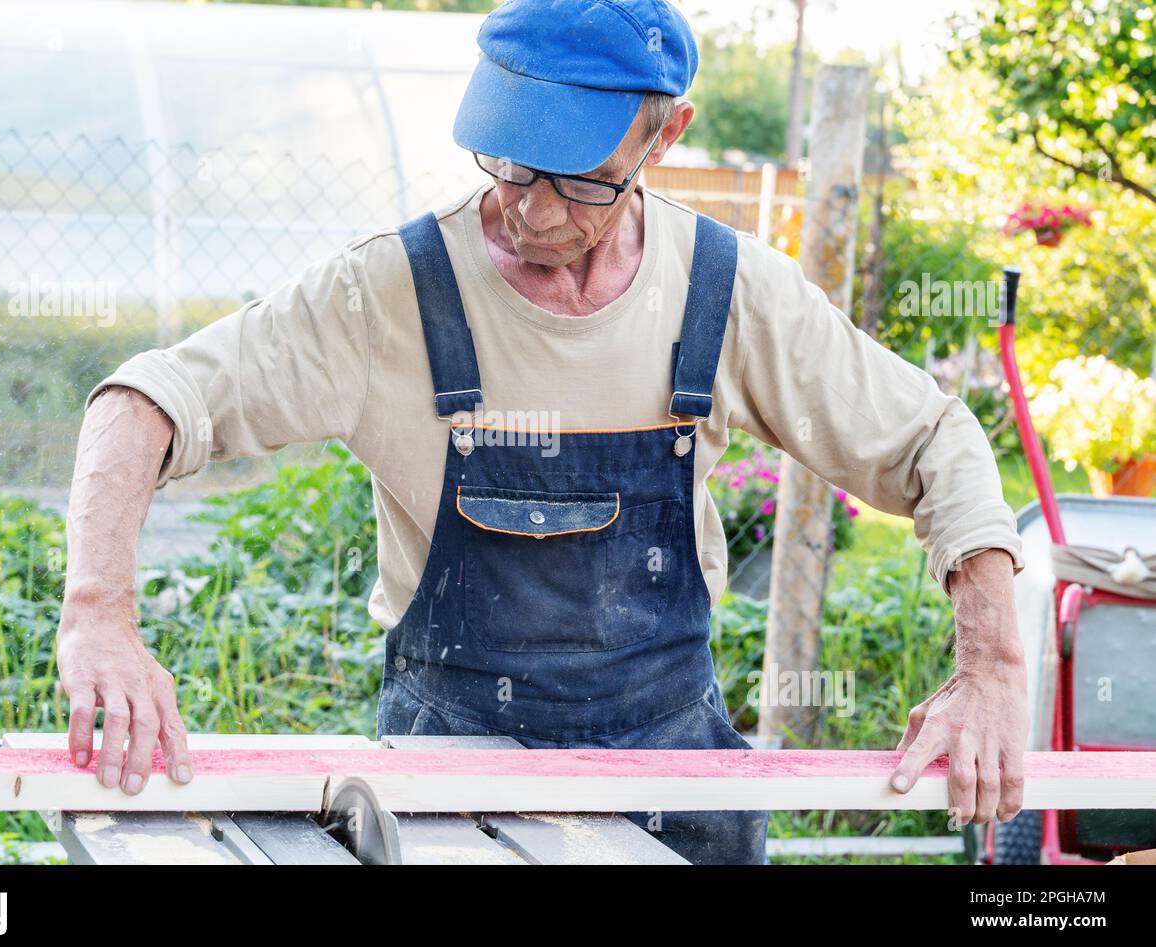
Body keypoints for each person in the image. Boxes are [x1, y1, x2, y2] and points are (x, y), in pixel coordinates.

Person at [55, 0, 1027, 864]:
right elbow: (144, 399)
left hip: (673, 783)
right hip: (449, 798)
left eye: (580, 179)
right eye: (509, 160)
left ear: (666, 132)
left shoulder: (724, 294)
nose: (529, 207)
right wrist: (100, 609)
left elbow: (931, 439)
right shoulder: (386, 295)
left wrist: (989, 666)